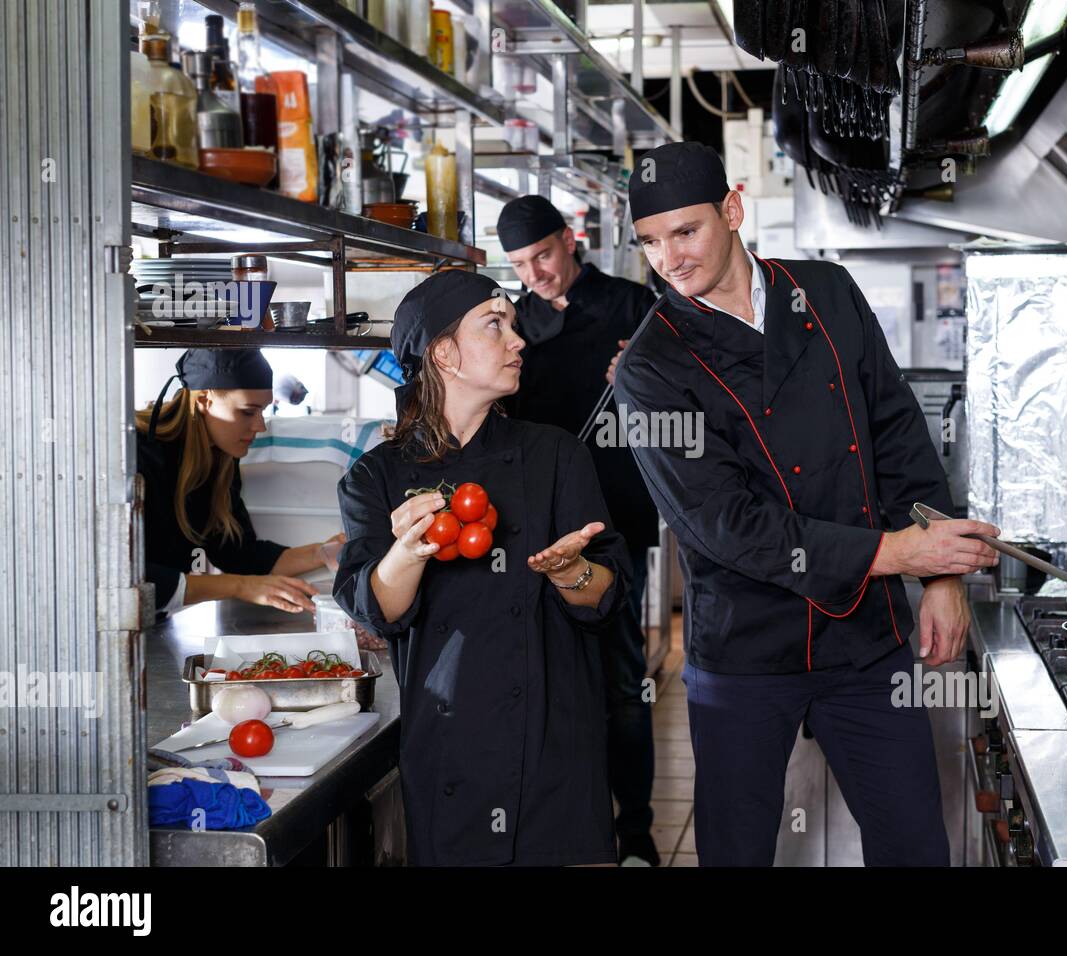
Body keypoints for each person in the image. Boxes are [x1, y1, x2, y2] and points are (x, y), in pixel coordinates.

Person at [611, 142, 1001, 866]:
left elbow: (897, 436)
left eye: (686, 231)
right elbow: (727, 524)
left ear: (733, 209)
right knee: (737, 852)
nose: (671, 258)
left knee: (916, 843)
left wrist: (941, 577)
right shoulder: (649, 366)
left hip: (866, 642)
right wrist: (897, 555)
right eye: (651, 242)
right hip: (745, 651)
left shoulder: (825, 290)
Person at [333, 269, 631, 866]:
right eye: (495, 326)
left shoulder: (555, 455)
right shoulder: (376, 476)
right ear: (443, 353)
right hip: (450, 751)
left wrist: (568, 571)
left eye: (514, 327)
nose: (517, 341)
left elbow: (605, 595)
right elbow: (377, 608)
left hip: (553, 747)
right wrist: (410, 550)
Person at [496, 194, 661, 866]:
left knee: (622, 682)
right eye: (519, 264)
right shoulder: (510, 325)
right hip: (536, 526)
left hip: (616, 522)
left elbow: (695, 402)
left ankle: (637, 833)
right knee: (549, 683)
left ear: (570, 240)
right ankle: (560, 825)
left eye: (541, 255)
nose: (534, 274)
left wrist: (645, 380)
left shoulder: (633, 306)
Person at [136, 349, 340, 619]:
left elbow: (238, 555)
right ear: (205, 400)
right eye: (247, 412)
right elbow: (128, 579)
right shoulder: (138, 454)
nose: (260, 426)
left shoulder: (219, 459)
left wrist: (322, 553)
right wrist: (240, 587)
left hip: (153, 622)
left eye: (263, 411)